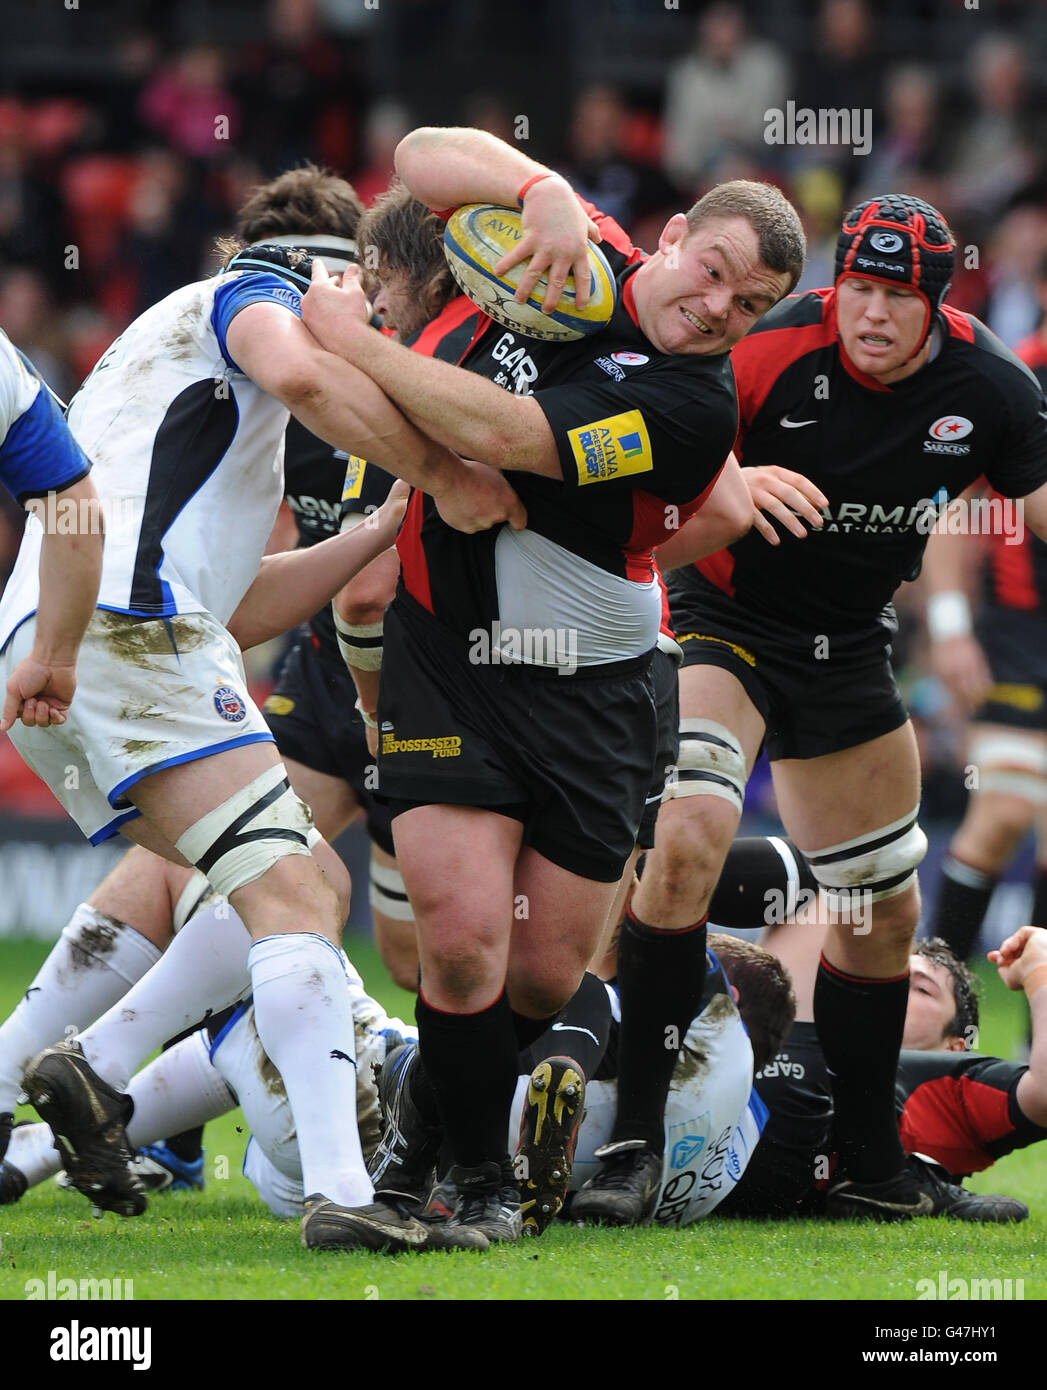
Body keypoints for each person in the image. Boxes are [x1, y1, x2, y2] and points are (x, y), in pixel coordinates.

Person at [298, 123, 805, 1243]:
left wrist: (356, 345)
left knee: (536, 977)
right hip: (451, 661)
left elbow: (508, 433)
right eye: (713, 272)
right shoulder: (585, 255)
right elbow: (420, 153)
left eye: (751, 307)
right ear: (672, 240)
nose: (720, 308)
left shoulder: (692, 406)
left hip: (599, 691)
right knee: (462, 937)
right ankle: (467, 1185)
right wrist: (546, 188)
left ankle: (424, 1137)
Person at [0, 163, 518, 1253]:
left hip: (79, 632)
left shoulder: (176, 359)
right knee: (296, 890)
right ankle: (340, 1192)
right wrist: (444, 466)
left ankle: (65, 1084)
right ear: (347, 263)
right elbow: (313, 370)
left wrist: (377, 529)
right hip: (127, 629)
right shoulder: (269, 288)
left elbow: (236, 608)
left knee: (284, 878)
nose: (375, 319)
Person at [574, 193, 1047, 1225]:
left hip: (847, 650)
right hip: (720, 617)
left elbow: (1036, 502)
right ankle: (635, 1141)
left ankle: (872, 1161)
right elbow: (669, 437)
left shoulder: (995, 389)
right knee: (691, 830)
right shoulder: (774, 348)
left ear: (939, 302)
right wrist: (736, 477)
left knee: (882, 909)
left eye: (896, 298)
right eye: (859, 291)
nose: (871, 316)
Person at [720, 927, 1045, 1221]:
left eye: (921, 989)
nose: (888, 990)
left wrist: (1038, 972)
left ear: (954, 1046)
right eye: (883, 978)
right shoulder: (782, 1030)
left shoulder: (952, 1090)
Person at [924, 254, 1047, 960]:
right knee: (999, 813)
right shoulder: (1013, 381)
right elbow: (951, 508)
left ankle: (1038, 1042)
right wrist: (949, 628)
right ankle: (942, 996)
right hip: (1012, 632)